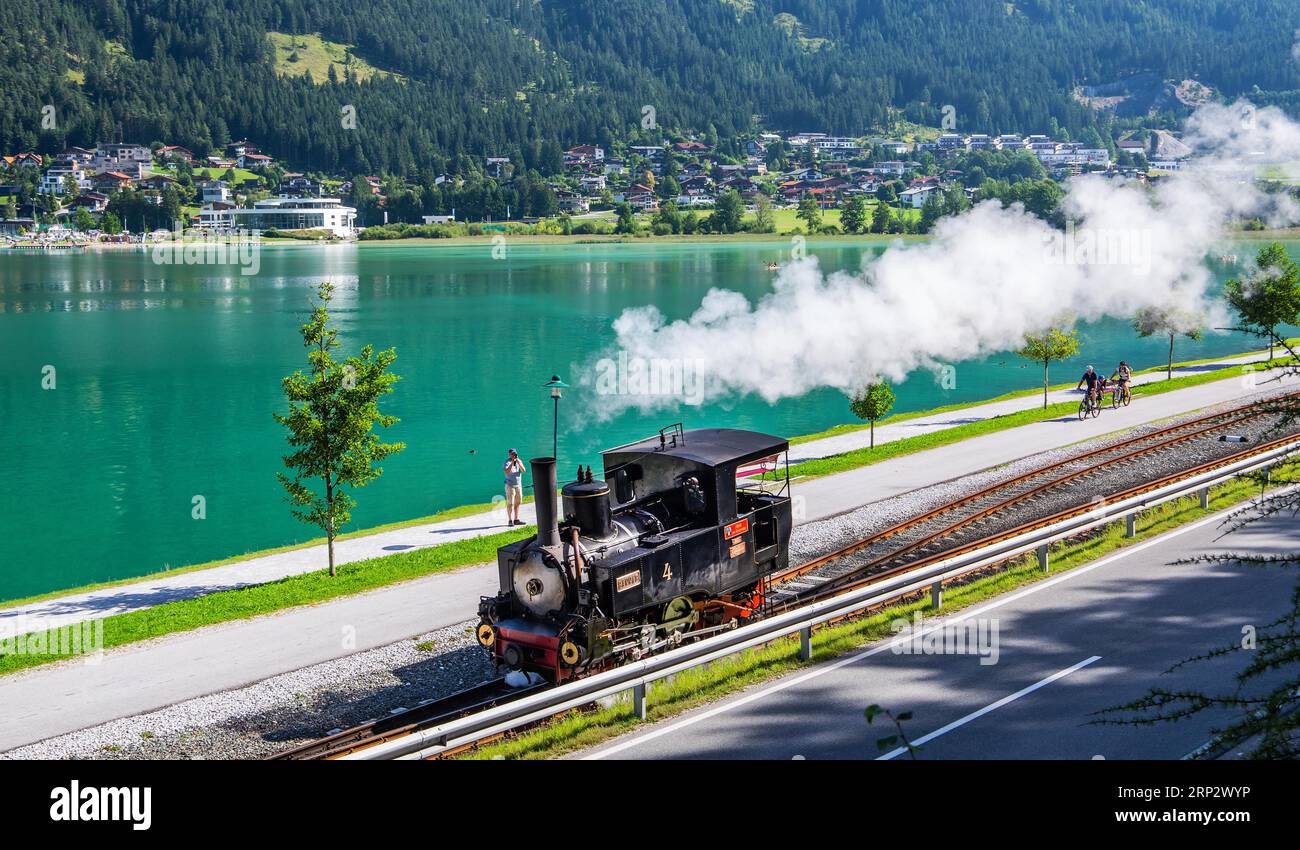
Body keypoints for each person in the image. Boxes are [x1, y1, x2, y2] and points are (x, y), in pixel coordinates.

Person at [503, 448, 525, 526]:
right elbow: (506, 472)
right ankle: (510, 520)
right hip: (510, 485)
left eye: (515, 454)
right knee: (510, 503)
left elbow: (523, 470)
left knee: (518, 502)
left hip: (518, 485)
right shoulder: (507, 462)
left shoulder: (519, 461)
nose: (514, 455)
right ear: (509, 454)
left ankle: (516, 519)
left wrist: (518, 462)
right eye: (512, 454)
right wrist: (512, 463)